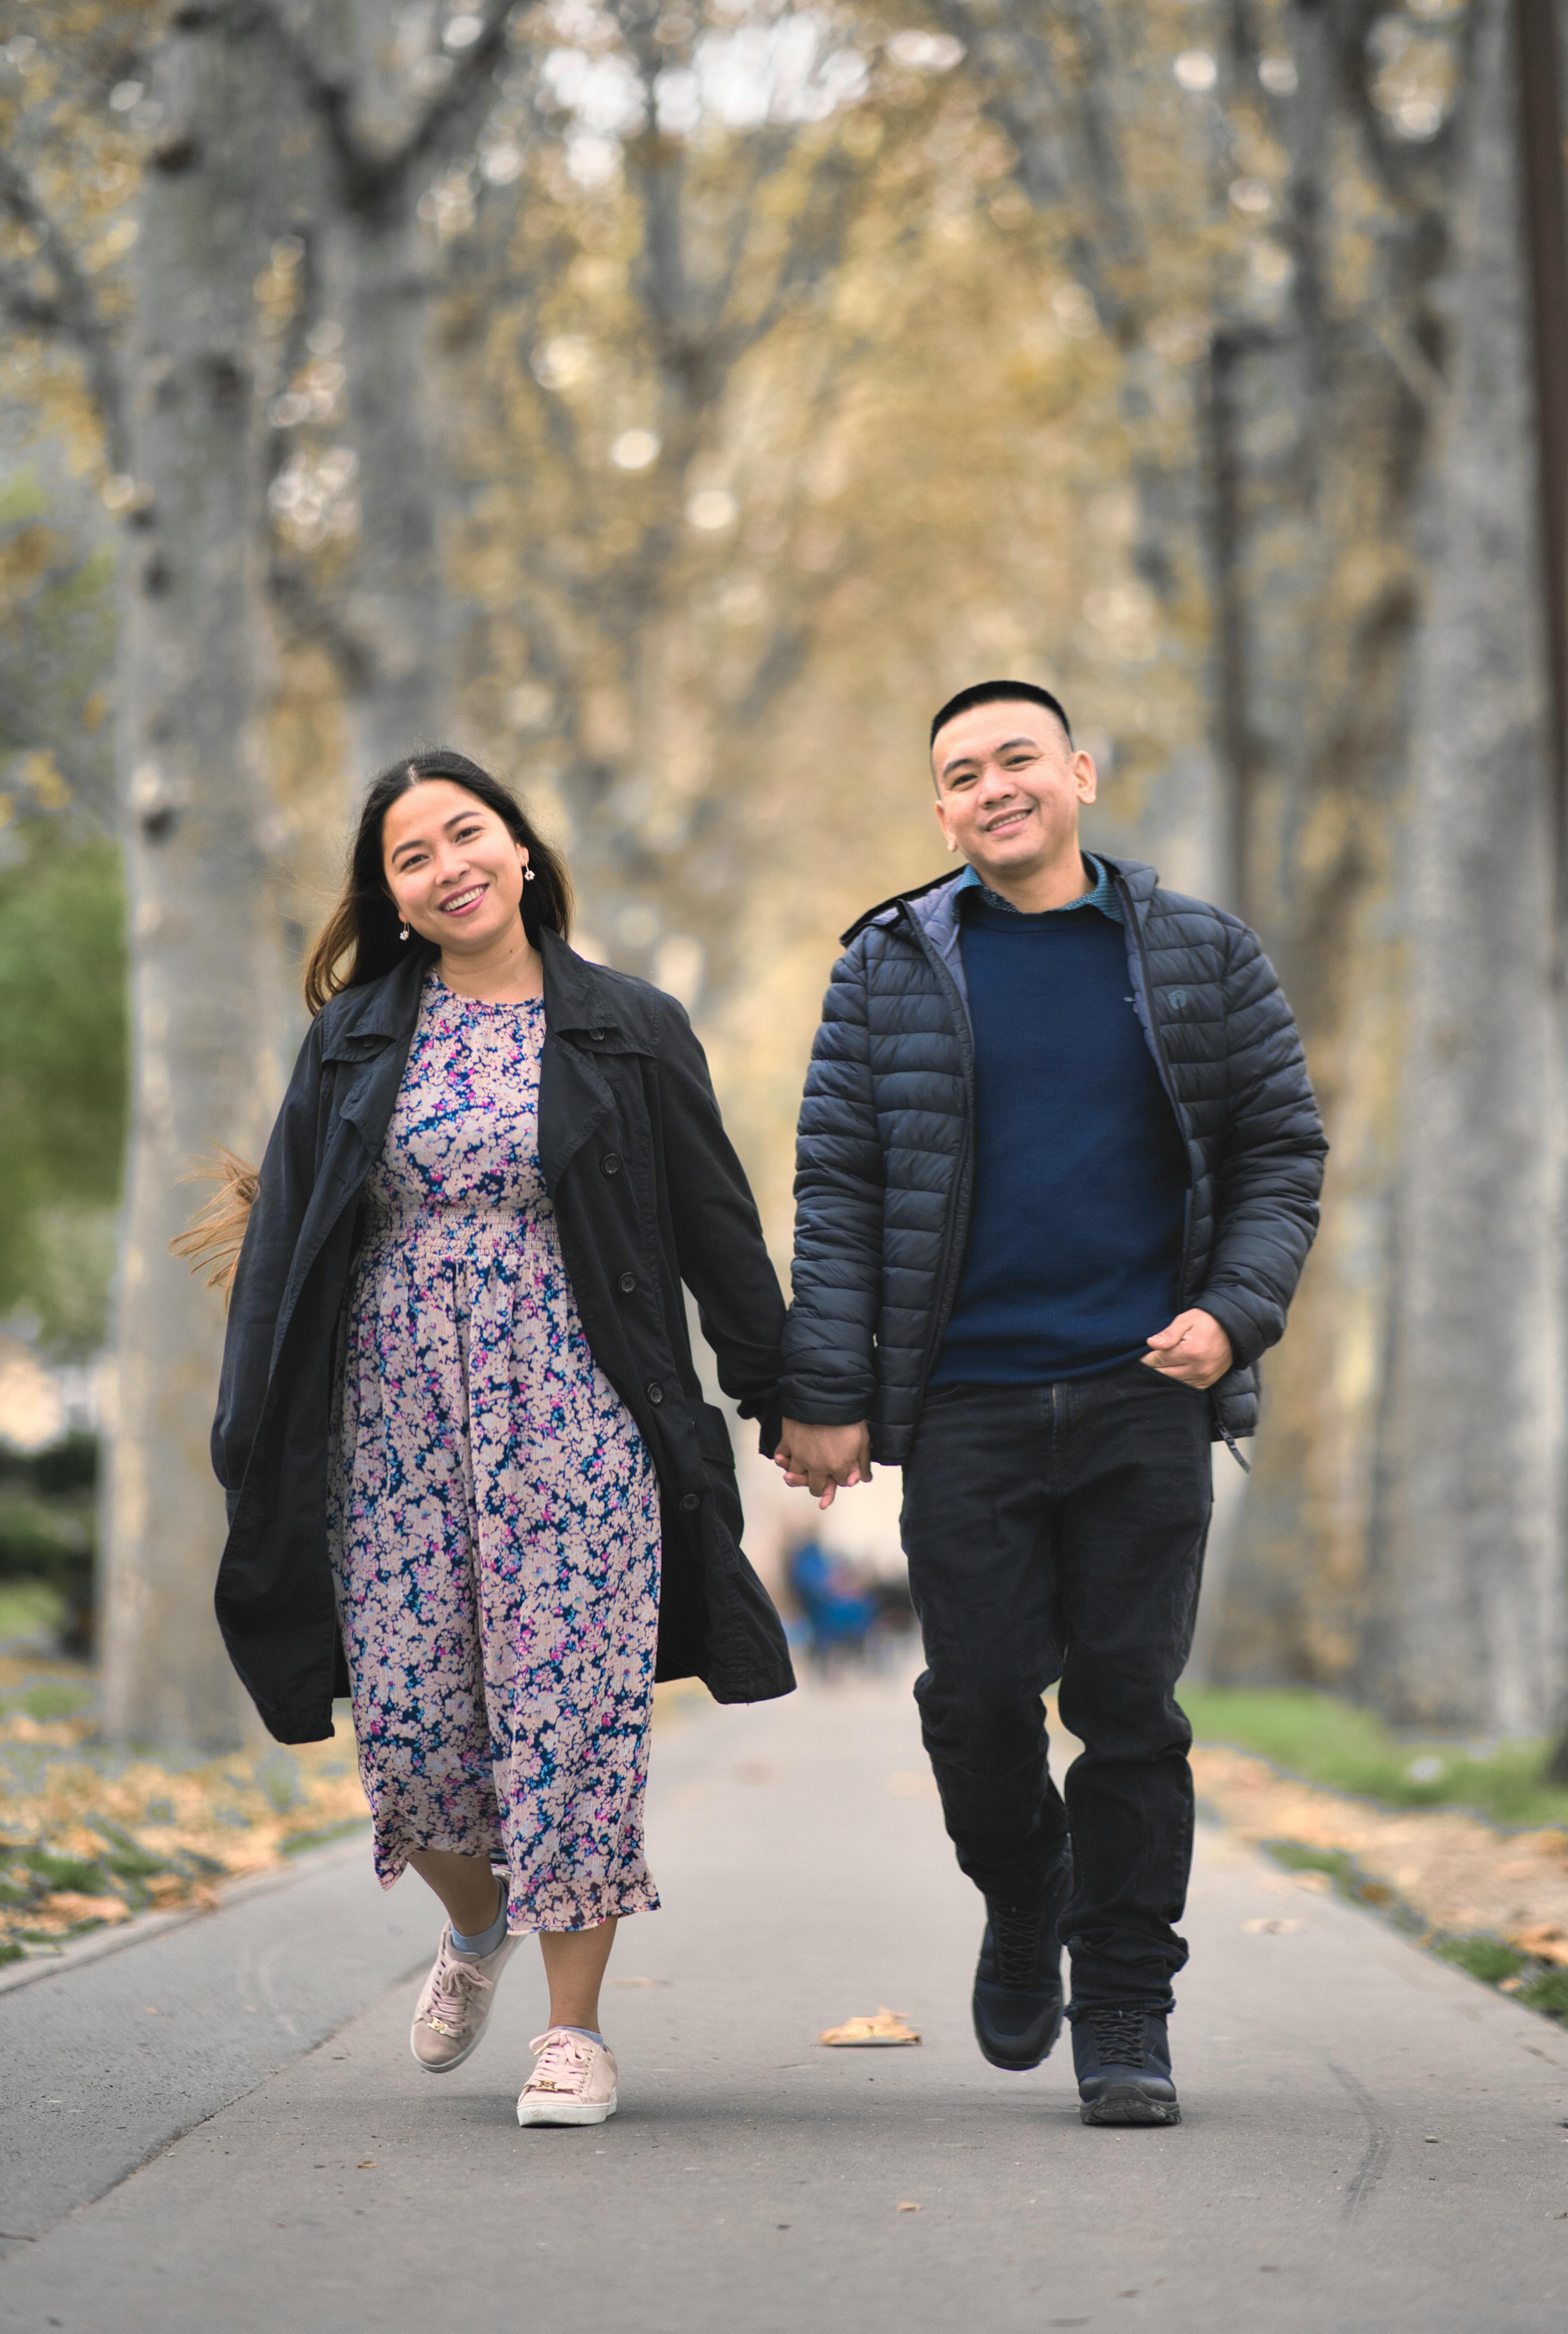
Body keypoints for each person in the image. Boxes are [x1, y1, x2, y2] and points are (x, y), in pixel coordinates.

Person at [198, 750, 791, 2128]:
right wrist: (249, 1435)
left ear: (521, 850)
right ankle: (475, 1929)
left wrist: (788, 1395)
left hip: (580, 1414)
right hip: (391, 1427)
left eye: (468, 834)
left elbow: (717, 1228)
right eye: (413, 857)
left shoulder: (629, 1026)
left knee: (572, 1723)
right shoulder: (352, 1040)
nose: (448, 865)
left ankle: (574, 2035)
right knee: (413, 1740)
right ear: (394, 898)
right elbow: (287, 1247)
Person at [775, 681, 1326, 2128]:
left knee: (1131, 1710)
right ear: (941, 809)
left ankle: (1127, 2010)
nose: (993, 786)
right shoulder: (888, 966)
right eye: (962, 772)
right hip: (966, 1401)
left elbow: (1280, 1149)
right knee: (976, 1704)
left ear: (1077, 772)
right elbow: (837, 1187)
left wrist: (1235, 1311)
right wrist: (825, 1389)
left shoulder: (1202, 952)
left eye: (1018, 758)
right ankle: (1027, 1898)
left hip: (1150, 1389)